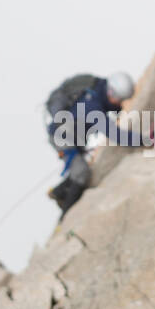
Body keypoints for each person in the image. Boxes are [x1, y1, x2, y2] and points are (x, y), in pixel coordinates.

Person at [45, 71, 134, 214]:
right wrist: (144, 140)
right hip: (62, 137)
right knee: (81, 172)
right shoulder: (93, 104)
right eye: (119, 99)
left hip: (72, 137)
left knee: (80, 167)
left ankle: (58, 192)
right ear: (111, 92)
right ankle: (65, 217)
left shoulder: (98, 87)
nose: (120, 103)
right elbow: (116, 135)